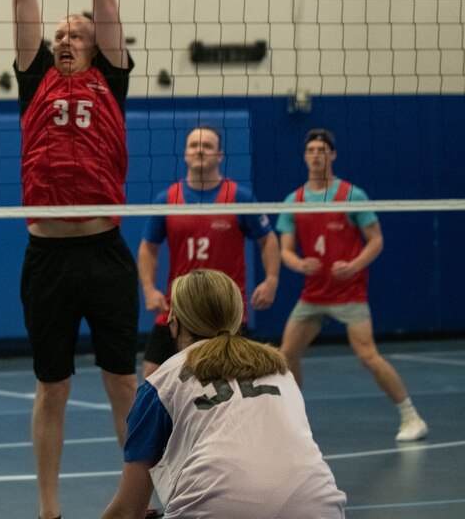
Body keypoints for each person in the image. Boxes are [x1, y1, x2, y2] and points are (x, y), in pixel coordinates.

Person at [0, 0, 137, 519]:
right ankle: (49, 510)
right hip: (48, 256)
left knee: (124, 382)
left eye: (77, 33)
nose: (67, 37)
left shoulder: (112, 78)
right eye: (61, 33)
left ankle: (138, 500)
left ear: (97, 47)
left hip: (105, 252)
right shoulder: (35, 76)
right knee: (53, 389)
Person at [101, 268, 347, 519]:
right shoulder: (279, 368)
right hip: (320, 507)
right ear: (237, 317)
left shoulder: (161, 383)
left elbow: (126, 511)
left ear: (174, 323)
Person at [277, 128, 428, 442]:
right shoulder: (295, 200)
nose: (316, 155)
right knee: (286, 355)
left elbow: (376, 240)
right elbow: (286, 251)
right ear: (305, 156)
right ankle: (297, 422)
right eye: (311, 150)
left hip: (349, 292)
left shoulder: (351, 195)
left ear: (332, 155)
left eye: (322, 150)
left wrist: (354, 265)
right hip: (313, 294)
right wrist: (299, 264)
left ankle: (411, 417)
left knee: (367, 355)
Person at [138, 125, 281, 377]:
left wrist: (271, 280)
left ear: (219, 155)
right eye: (194, 145)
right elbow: (148, 248)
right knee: (153, 374)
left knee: (231, 377)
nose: (200, 150)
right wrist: (149, 289)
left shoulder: (239, 197)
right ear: (185, 154)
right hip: (180, 305)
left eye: (207, 146)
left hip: (225, 308)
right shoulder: (168, 199)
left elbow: (268, 239)